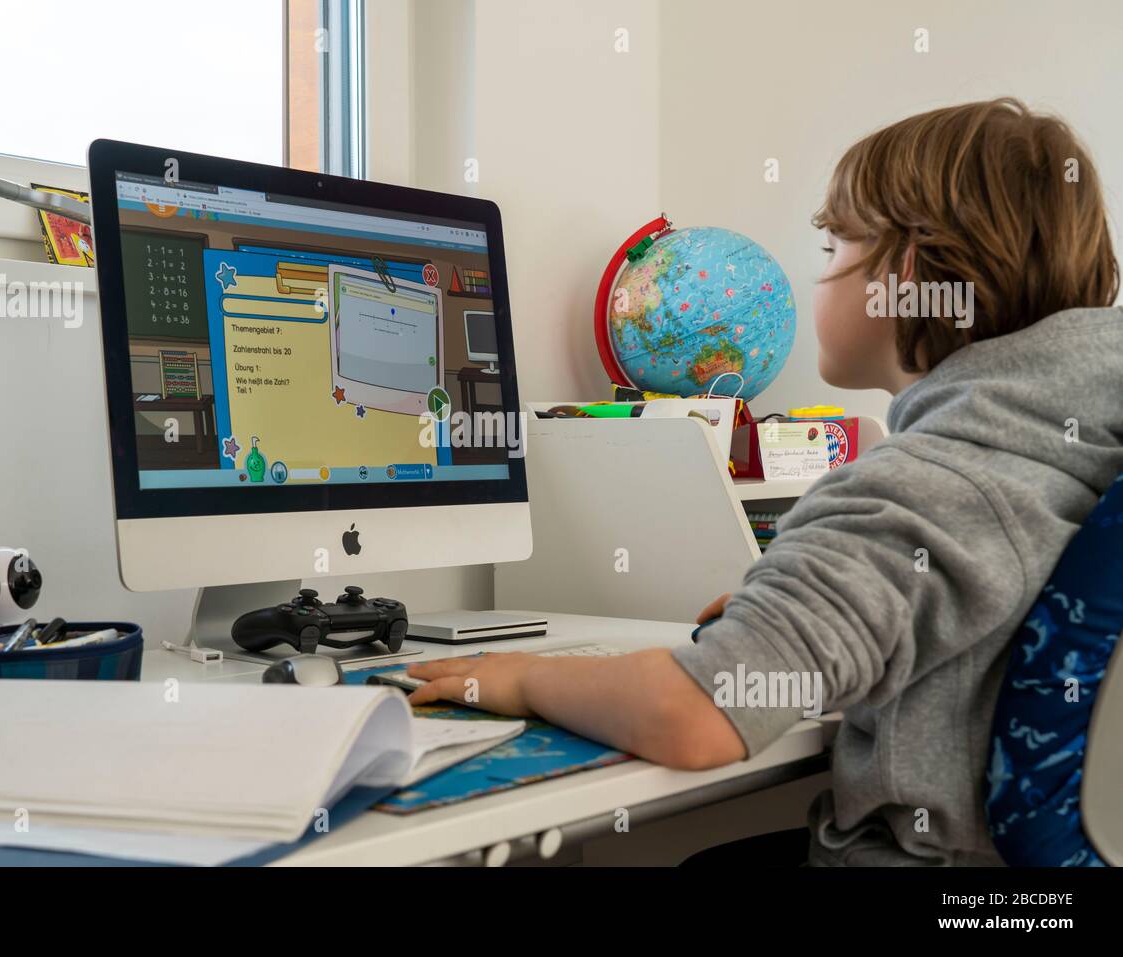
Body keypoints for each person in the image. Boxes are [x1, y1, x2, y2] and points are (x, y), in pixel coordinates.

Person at [406, 98, 1123, 865]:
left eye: (834, 242)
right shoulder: (1078, 439)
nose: (818, 272)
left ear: (903, 272)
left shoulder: (920, 488)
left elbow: (699, 712)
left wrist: (520, 678)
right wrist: (801, 623)